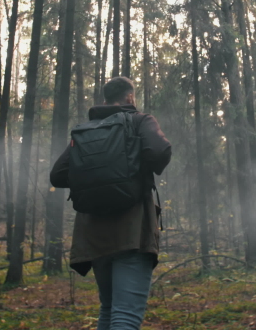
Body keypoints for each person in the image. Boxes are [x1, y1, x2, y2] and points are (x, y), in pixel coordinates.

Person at [51, 76, 171, 330]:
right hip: (133, 229)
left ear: (104, 101)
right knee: (125, 315)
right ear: (130, 97)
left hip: (93, 233)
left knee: (108, 309)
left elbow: (58, 175)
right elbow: (160, 151)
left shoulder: (85, 130)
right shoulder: (139, 120)